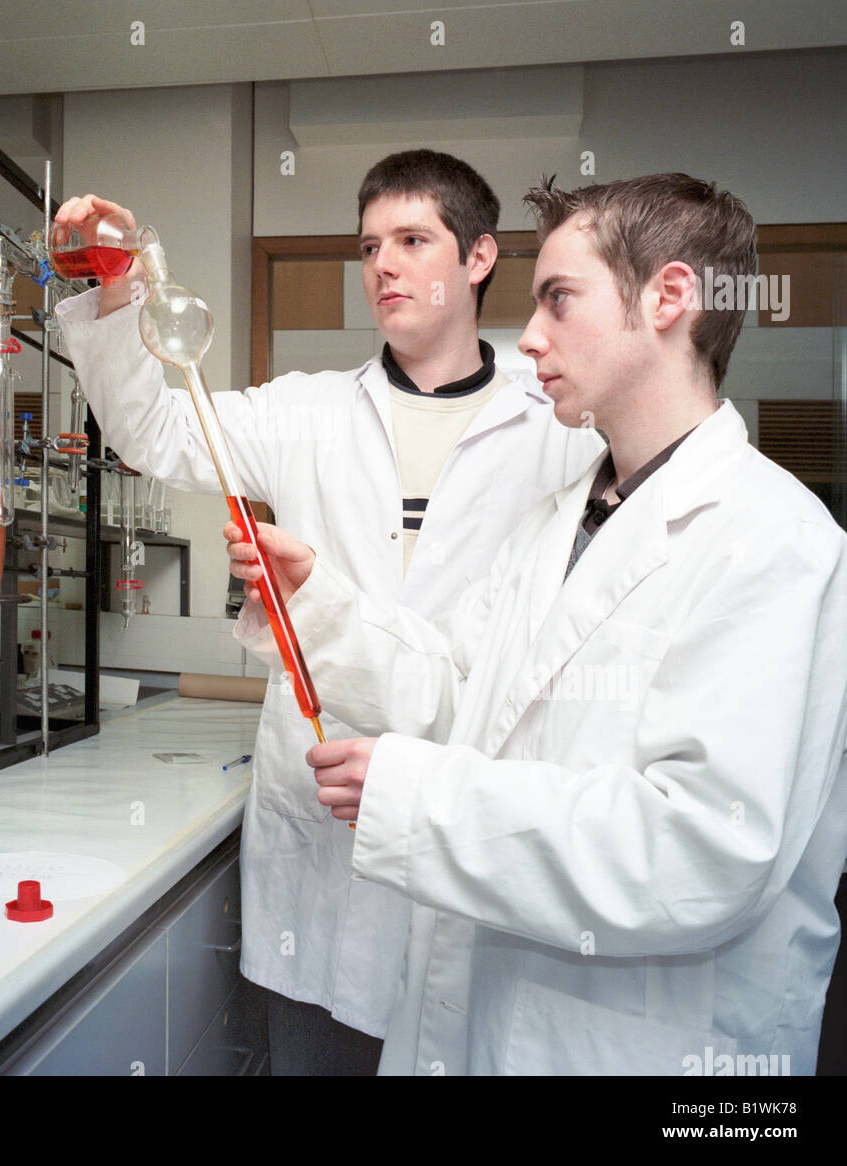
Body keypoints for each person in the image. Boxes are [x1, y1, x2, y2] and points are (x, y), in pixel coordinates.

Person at [227, 172, 847, 1076]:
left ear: (670, 297)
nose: (526, 337)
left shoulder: (771, 539)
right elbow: (454, 689)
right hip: (483, 1021)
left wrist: (417, 802)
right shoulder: (560, 520)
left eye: (560, 300)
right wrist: (314, 602)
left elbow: (703, 848)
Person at [54, 151, 602, 1074]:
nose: (382, 264)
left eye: (411, 240)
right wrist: (115, 292)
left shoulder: (556, 420)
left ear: (477, 258)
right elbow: (152, 432)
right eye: (368, 246)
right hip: (320, 816)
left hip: (461, 809)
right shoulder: (305, 411)